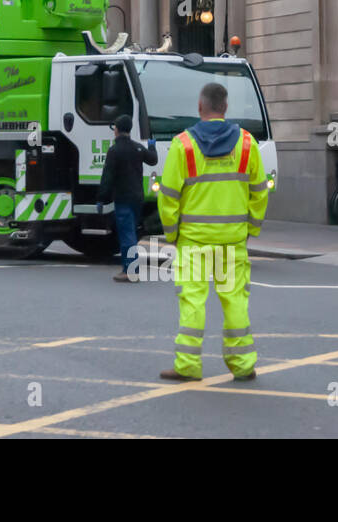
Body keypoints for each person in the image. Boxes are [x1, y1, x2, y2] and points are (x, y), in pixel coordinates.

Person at [155, 82, 269, 382]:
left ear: (199, 107)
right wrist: (251, 229)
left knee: (192, 301)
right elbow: (259, 191)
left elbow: (168, 196)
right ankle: (243, 364)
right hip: (232, 240)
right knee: (235, 301)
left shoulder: (183, 145)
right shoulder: (247, 143)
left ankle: (188, 366)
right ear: (226, 107)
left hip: (193, 240)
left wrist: (171, 234)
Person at [97, 114, 157, 283]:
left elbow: (107, 176)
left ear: (116, 129)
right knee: (131, 231)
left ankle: (130, 270)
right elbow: (153, 160)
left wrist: (101, 198)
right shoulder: (137, 148)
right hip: (138, 197)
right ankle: (131, 268)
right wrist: (152, 147)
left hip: (122, 197)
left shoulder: (114, 151)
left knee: (127, 234)